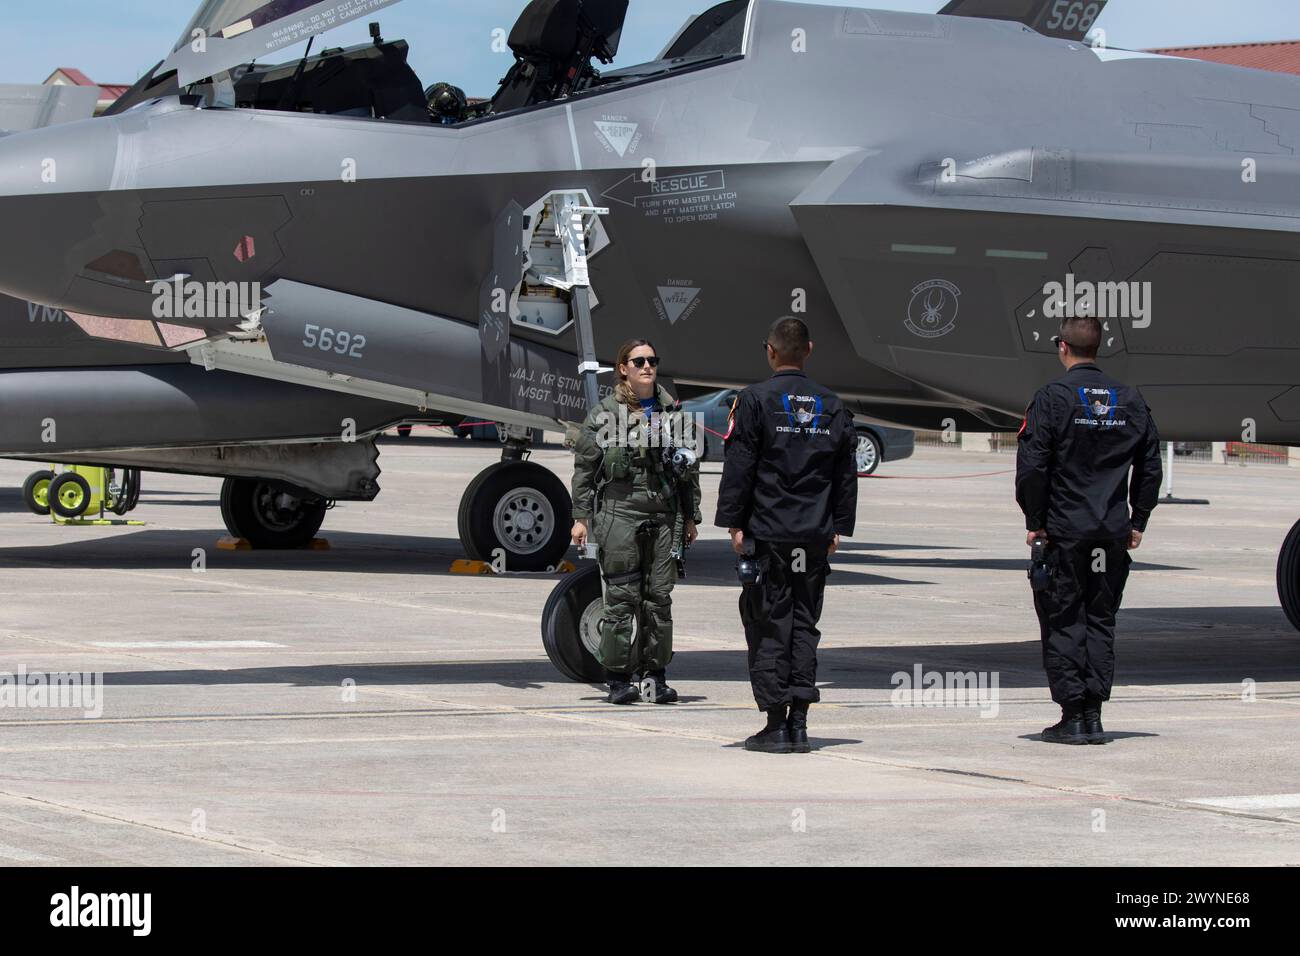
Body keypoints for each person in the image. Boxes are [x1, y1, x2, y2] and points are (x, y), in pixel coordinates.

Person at [1016, 315, 1163, 745]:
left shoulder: (1053, 398)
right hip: (1111, 532)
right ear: (1099, 348)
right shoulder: (1129, 400)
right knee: (1100, 619)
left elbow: (1032, 467)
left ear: (1063, 347)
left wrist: (1034, 519)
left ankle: (1073, 714)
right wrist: (1138, 520)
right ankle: (1094, 713)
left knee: (1064, 620)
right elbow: (1150, 465)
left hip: (1066, 529)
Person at [715, 317, 858, 753]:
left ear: (770, 351)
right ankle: (799, 721)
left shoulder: (755, 401)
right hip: (813, 536)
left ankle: (777, 722)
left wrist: (734, 523)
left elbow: (740, 465)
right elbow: (845, 474)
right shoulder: (832, 405)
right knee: (803, 624)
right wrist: (838, 527)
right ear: (809, 350)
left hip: (770, 534)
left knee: (768, 623)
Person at [570, 340, 702, 705]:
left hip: (663, 514)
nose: (647, 366)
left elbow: (689, 471)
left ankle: (655, 677)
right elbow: (584, 469)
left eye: (652, 361)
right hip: (619, 513)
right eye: (639, 361)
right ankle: (617, 679)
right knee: (621, 599)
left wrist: (691, 517)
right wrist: (580, 518)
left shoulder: (673, 414)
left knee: (659, 598)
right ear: (623, 368)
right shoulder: (604, 414)